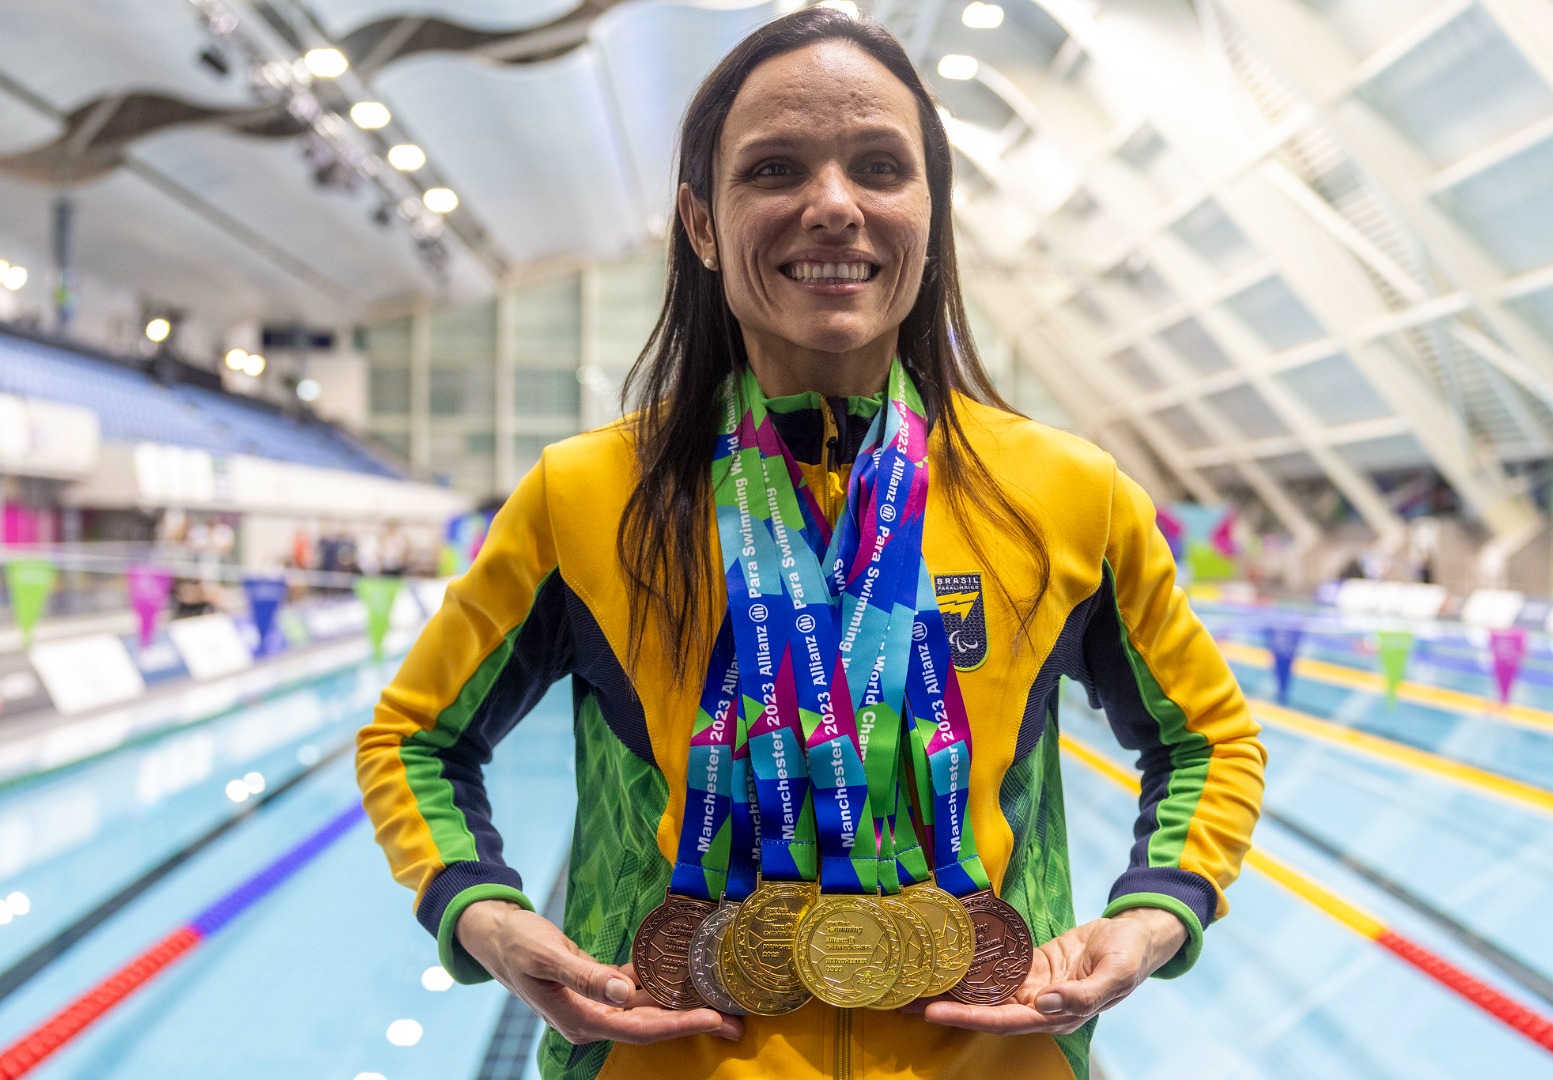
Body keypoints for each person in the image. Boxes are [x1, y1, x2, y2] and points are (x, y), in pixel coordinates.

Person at [355, 11, 1264, 1080]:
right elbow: (413, 738)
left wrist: (1155, 916)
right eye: (774, 169)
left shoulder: (1068, 495)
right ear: (700, 223)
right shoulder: (583, 496)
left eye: (879, 168)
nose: (833, 207)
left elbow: (1207, 738)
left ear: (930, 212)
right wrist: (480, 912)